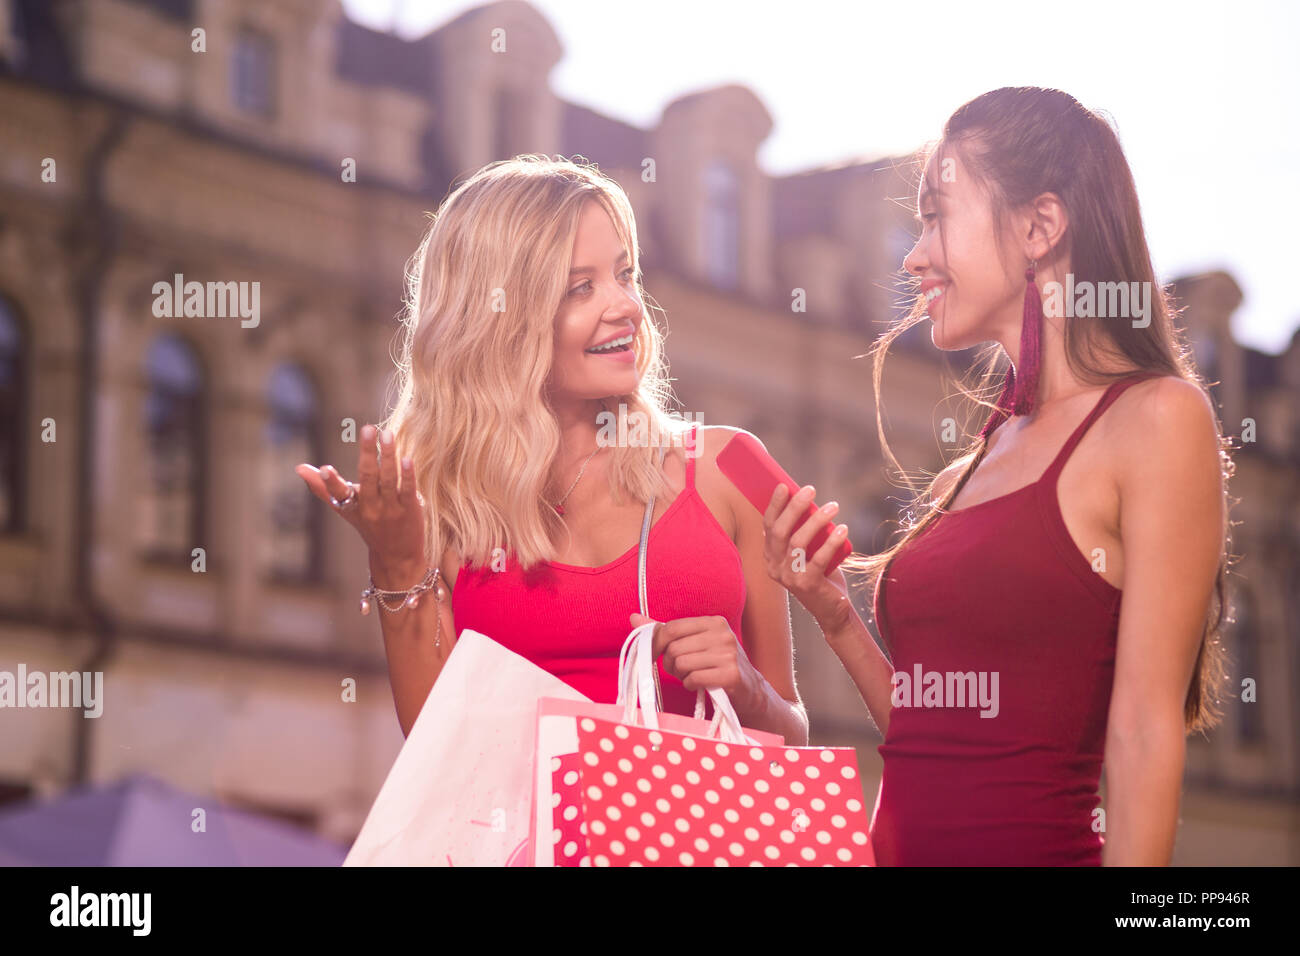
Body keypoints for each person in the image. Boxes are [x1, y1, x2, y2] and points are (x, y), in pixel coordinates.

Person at [761, 87, 1234, 865]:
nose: (914, 256)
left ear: (1040, 226)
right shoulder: (969, 465)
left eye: (936, 216)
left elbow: (1145, 734)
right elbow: (930, 739)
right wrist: (836, 616)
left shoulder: (1157, 419)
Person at [296, 155, 809, 746]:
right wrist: (396, 563)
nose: (627, 306)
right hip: (524, 812)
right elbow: (438, 752)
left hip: (703, 811)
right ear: (500, 317)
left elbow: (793, 738)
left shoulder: (728, 468)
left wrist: (753, 693)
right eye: (580, 288)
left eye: (626, 275)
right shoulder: (444, 510)